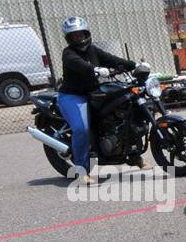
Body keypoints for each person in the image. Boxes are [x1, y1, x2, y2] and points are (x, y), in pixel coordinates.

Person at [57, 16, 145, 181]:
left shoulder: (93, 49)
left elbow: (111, 59)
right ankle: (81, 169)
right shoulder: (68, 53)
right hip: (72, 96)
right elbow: (79, 65)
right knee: (81, 129)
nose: (79, 38)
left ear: (87, 34)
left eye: (81, 35)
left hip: (93, 92)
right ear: (69, 39)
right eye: (74, 36)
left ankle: (133, 156)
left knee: (124, 111)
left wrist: (133, 65)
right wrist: (95, 70)